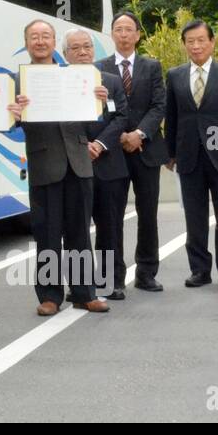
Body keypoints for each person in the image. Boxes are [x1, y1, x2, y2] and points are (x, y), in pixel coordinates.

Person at [12, 22, 111, 315]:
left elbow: (93, 122)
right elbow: (11, 122)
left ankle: (84, 293)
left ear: (54, 42)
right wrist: (16, 114)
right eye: (34, 37)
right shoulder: (18, 81)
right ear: (27, 43)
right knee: (47, 233)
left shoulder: (76, 75)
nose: (40, 41)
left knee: (80, 231)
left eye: (46, 36)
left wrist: (100, 103)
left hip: (78, 162)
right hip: (44, 162)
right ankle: (50, 297)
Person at [164, 20, 218, 287]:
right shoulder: (175, 75)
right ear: (184, 44)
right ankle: (199, 270)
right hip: (189, 156)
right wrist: (170, 153)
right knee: (195, 216)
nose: (196, 45)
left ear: (212, 42)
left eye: (201, 40)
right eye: (190, 41)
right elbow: (172, 117)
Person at [95, 11, 167, 293]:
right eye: (118, 29)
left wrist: (138, 134)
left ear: (138, 35)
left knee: (147, 213)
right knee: (109, 216)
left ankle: (147, 272)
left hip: (145, 149)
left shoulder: (152, 66)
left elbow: (159, 105)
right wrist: (118, 136)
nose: (123, 34)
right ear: (111, 35)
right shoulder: (99, 67)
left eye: (128, 29)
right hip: (111, 151)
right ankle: (111, 277)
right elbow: (97, 111)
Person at [66, 29, 130, 300]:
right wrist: (83, 146)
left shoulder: (111, 81)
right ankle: (80, 286)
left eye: (87, 47)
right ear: (66, 54)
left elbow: (122, 117)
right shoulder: (59, 81)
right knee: (76, 227)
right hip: (73, 163)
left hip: (109, 164)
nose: (82, 52)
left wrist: (100, 144)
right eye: (75, 48)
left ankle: (112, 281)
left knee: (110, 226)